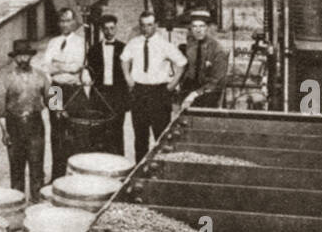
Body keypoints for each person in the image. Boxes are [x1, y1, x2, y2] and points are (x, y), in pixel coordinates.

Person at [123, 11, 187, 162]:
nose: (146, 28)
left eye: (150, 25)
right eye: (143, 25)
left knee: (161, 135)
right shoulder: (134, 43)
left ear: (156, 26)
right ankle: (139, 170)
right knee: (140, 137)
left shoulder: (164, 45)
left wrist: (173, 84)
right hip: (139, 92)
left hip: (159, 92)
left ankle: (160, 171)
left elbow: (182, 63)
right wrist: (128, 77)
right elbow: (124, 59)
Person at [0, 40, 50, 197]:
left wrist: (61, 110)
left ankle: (36, 197)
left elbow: (53, 99)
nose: (23, 59)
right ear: (15, 58)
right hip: (14, 125)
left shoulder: (41, 75)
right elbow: (1, 109)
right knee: (16, 165)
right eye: (20, 56)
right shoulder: (6, 78)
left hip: (35, 124)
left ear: (31, 57)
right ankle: (16, 198)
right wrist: (5, 132)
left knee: (36, 162)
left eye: (26, 55)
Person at [43, 7, 87, 179]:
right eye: (62, 21)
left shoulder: (81, 42)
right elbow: (46, 66)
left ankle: (74, 176)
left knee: (75, 130)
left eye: (68, 20)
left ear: (74, 22)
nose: (65, 24)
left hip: (74, 89)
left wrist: (58, 66)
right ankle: (56, 175)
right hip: (55, 89)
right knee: (56, 131)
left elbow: (77, 66)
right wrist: (64, 67)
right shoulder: (53, 42)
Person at [86, 13, 129, 155]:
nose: (109, 32)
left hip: (117, 95)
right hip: (100, 94)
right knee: (99, 130)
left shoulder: (125, 49)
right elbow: (91, 73)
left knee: (117, 131)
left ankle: (118, 166)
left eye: (112, 28)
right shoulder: (93, 50)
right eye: (106, 29)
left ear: (116, 28)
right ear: (102, 30)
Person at [179, 9, 229, 110]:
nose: (198, 30)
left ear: (207, 28)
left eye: (202, 26)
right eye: (194, 26)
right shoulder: (190, 46)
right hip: (189, 90)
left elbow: (216, 82)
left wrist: (194, 95)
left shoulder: (218, 50)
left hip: (209, 93)